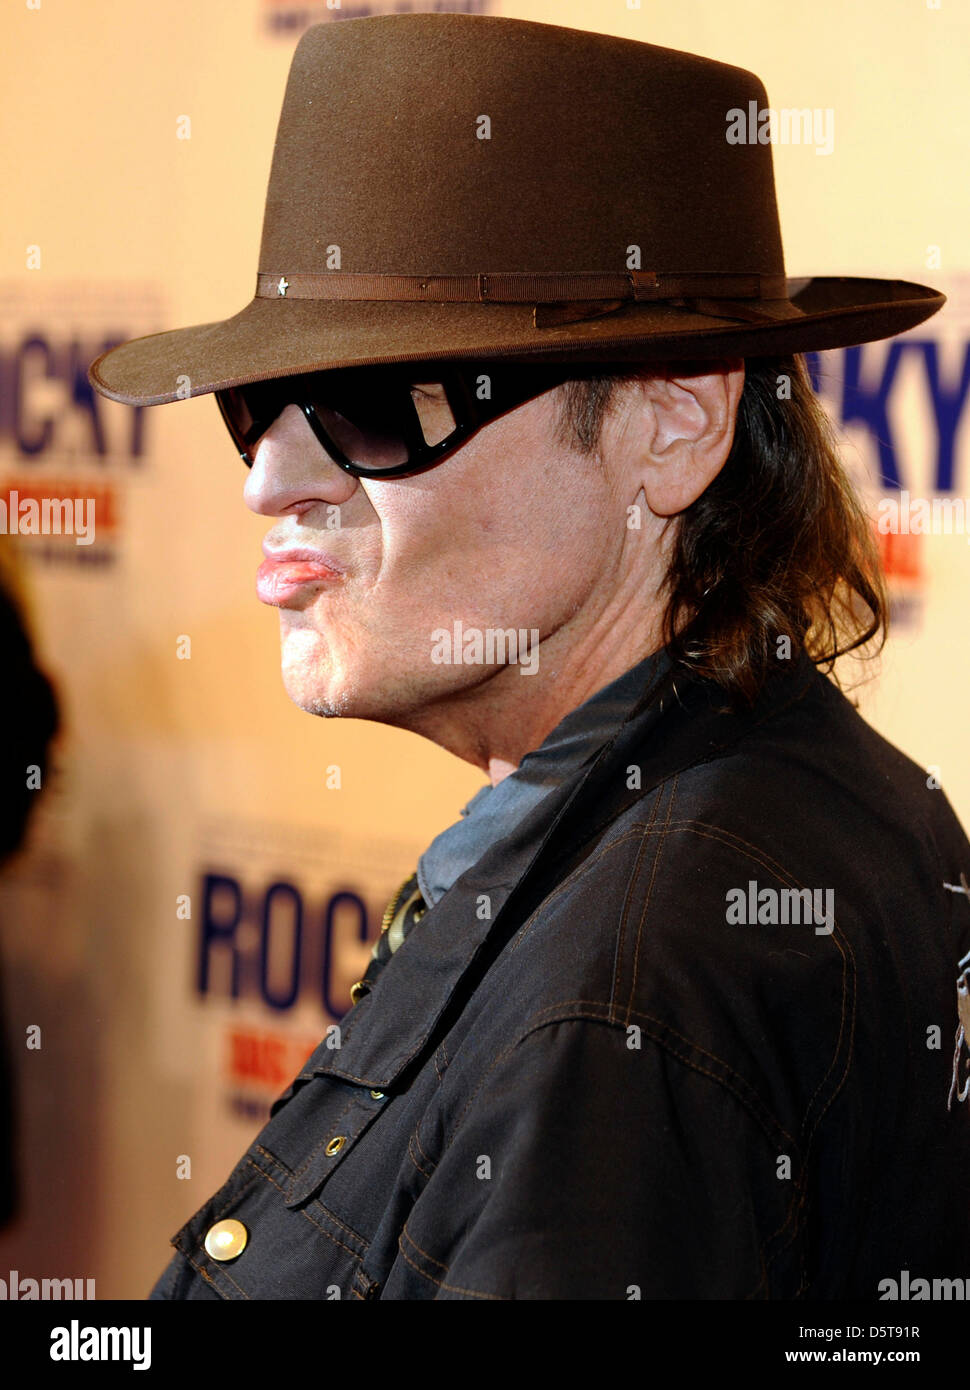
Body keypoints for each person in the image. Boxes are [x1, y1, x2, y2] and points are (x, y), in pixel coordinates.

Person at [88, 13, 970, 1299]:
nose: (271, 480)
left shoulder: (633, 987)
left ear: (673, 424)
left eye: (378, 406)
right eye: (254, 406)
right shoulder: (785, 796)